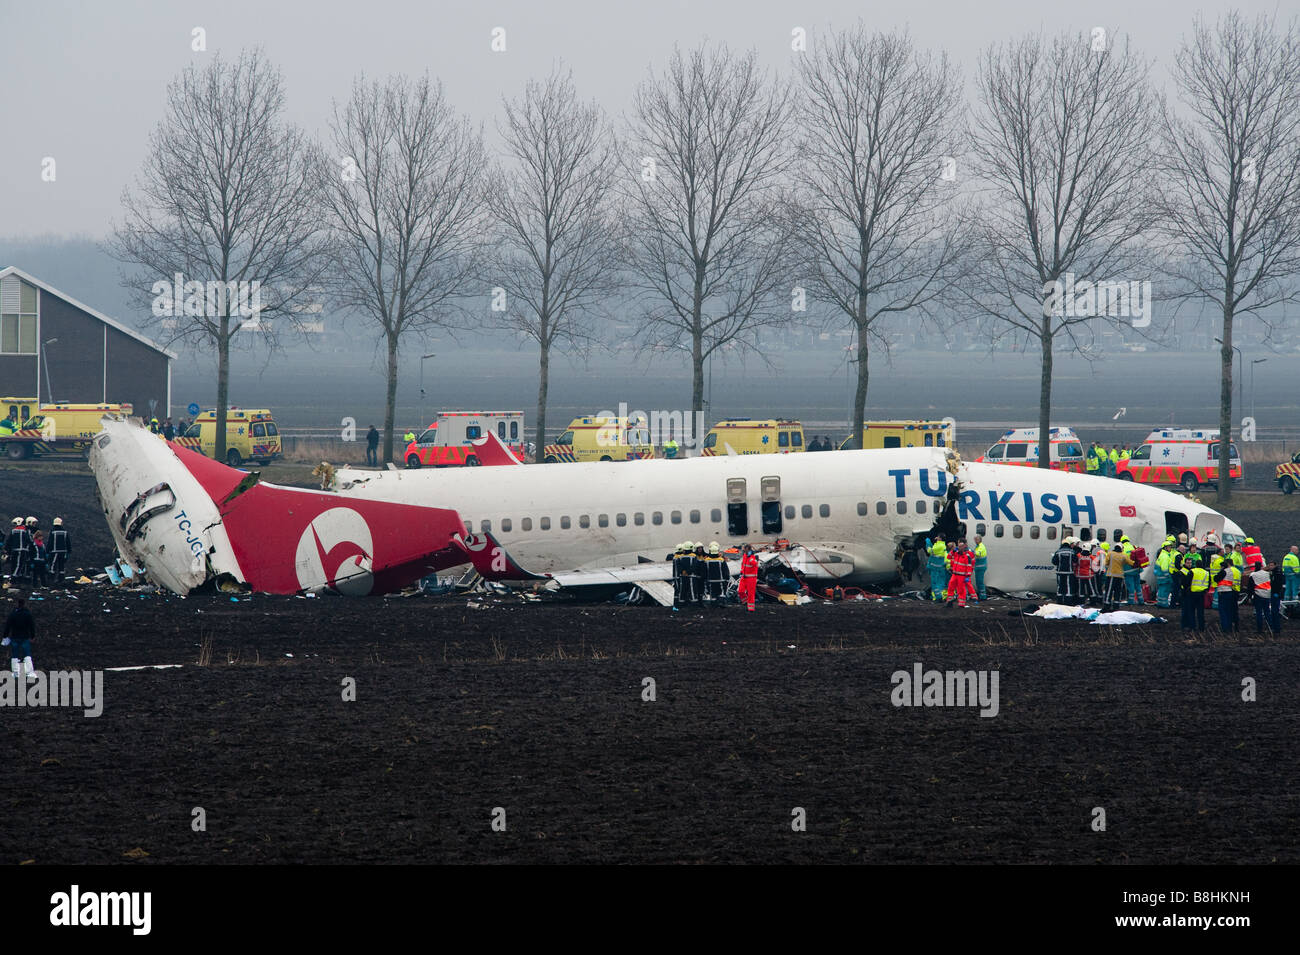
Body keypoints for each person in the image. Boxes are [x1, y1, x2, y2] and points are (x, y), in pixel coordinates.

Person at [3, 595, 35, 679]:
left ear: (17, 604)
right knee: (27, 654)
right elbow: (32, 626)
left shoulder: (13, 614)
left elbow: (8, 626)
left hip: (15, 637)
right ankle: (29, 672)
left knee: (15, 655)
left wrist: (5, 636)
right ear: (24, 604)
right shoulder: (28, 614)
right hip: (25, 637)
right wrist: (32, 636)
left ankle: (16, 673)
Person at [1103, 541, 1134, 611]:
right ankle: (1116, 606)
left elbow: (1106, 563)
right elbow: (1131, 563)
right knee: (1118, 591)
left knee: (1109, 591)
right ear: (1121, 548)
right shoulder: (1124, 555)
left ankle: (1106, 606)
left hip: (1111, 576)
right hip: (1120, 577)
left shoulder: (1110, 554)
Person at [946, 539, 976, 607]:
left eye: (960, 546)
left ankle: (961, 604)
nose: (959, 548)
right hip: (955, 574)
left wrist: (968, 576)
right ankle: (949, 602)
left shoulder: (967, 556)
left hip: (961, 575)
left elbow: (969, 566)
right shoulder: (956, 553)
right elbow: (949, 556)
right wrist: (953, 550)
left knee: (961, 590)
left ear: (964, 547)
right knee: (950, 587)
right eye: (958, 546)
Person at [1248, 562, 1272, 634]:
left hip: (1258, 595)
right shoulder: (1267, 574)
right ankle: (1270, 627)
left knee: (1259, 613)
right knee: (1267, 612)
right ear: (1262, 566)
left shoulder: (1253, 575)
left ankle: (1259, 629)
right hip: (1267, 595)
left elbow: (1250, 587)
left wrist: (1249, 597)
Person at [1052, 537, 1075, 603]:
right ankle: (1068, 601)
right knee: (1068, 586)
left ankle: (1059, 600)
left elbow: (1054, 561)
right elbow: (1076, 560)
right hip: (1069, 572)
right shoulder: (1072, 552)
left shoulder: (1058, 552)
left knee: (1060, 586)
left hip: (1060, 572)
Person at [926, 534, 948, 602]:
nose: (936, 537)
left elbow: (930, 551)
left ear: (940, 538)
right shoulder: (941, 545)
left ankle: (938, 597)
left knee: (934, 582)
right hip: (940, 567)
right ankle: (940, 596)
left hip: (935, 567)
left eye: (938, 536)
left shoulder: (939, 545)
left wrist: (928, 543)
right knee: (940, 583)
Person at [1154, 537, 1175, 607]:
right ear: (1165, 548)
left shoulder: (1163, 555)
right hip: (1164, 578)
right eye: (1169, 547)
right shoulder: (1165, 556)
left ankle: (1160, 603)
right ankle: (1164, 604)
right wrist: (1169, 577)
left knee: (1161, 591)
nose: (1170, 548)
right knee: (1164, 591)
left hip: (1161, 577)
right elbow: (1165, 569)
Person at [48, 518, 70, 584]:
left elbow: (50, 542)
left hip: (54, 552)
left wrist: (47, 551)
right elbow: (68, 542)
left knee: (53, 565)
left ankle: (51, 579)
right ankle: (61, 579)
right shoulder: (65, 532)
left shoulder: (52, 531)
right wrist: (68, 551)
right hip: (63, 552)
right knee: (61, 566)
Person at [738, 544, 759, 611]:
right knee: (740, 591)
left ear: (748, 549)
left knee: (751, 593)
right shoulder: (745, 555)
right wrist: (741, 571)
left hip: (751, 578)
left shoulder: (752, 557)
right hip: (744, 577)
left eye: (745, 549)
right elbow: (743, 564)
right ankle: (745, 601)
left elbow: (755, 563)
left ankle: (751, 608)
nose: (744, 551)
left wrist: (755, 559)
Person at [973, 534, 988, 600]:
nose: (975, 541)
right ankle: (981, 595)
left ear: (979, 540)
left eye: (976, 539)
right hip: (978, 567)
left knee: (980, 581)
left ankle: (983, 596)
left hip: (980, 567)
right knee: (978, 582)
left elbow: (978, 553)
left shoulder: (981, 546)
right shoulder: (978, 546)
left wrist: (972, 552)